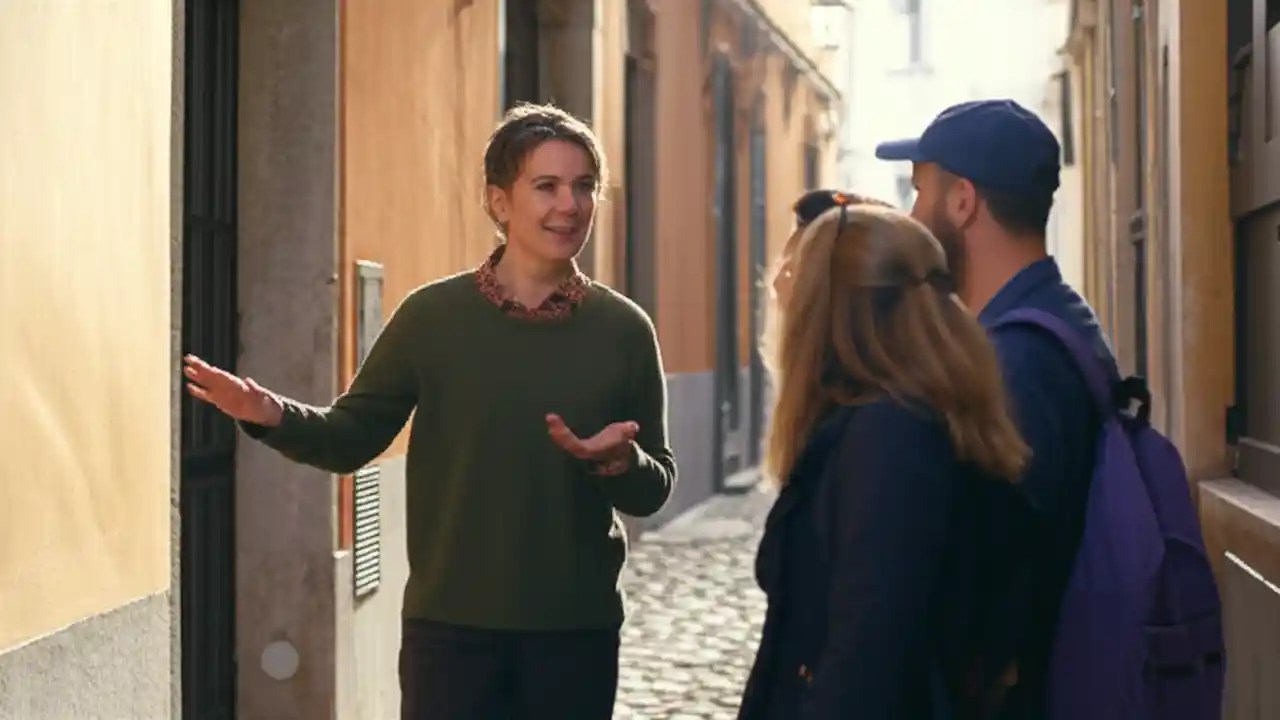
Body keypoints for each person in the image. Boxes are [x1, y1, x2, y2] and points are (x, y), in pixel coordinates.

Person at [183, 103, 677, 720]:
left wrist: (622, 461)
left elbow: (654, 487)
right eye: (546, 186)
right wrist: (268, 412)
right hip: (450, 633)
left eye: (584, 187)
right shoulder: (432, 318)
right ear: (500, 202)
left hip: (573, 634)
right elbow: (351, 437)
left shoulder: (624, 330)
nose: (570, 206)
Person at [738, 197, 1031, 719]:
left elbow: (866, 659)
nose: (781, 299)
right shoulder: (902, 422)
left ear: (828, 313)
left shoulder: (890, 438)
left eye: (794, 287)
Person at [875, 98, 1119, 717]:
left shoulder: (1018, 360)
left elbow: (995, 590)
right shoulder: (1054, 322)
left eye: (918, 192)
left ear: (962, 201)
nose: (911, 214)